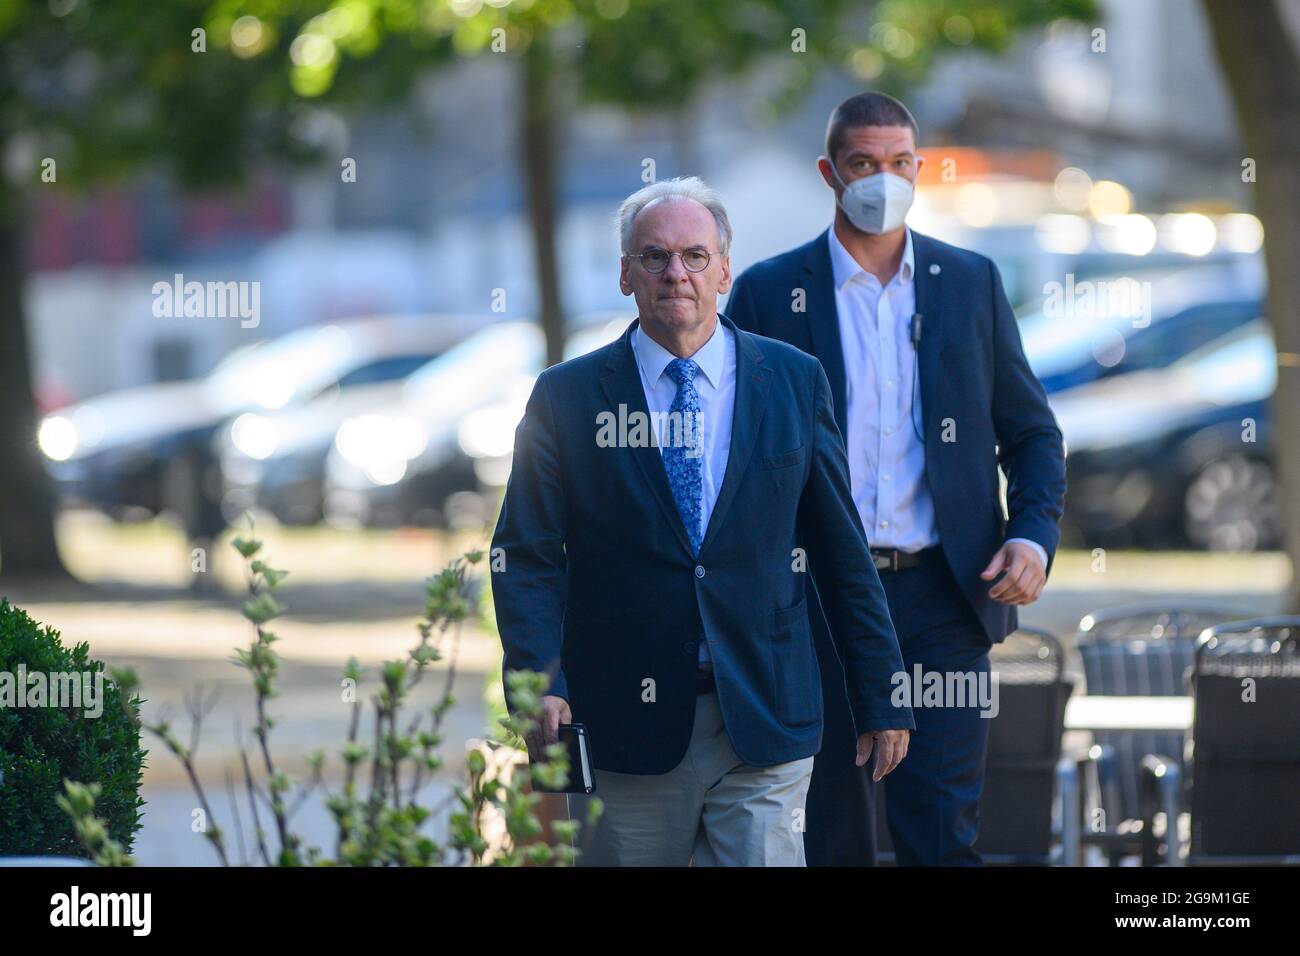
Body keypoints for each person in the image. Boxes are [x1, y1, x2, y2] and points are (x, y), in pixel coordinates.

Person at [491, 176, 913, 866]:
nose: (675, 274)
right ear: (627, 274)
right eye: (654, 257)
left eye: (694, 255)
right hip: (627, 725)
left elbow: (841, 551)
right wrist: (536, 680)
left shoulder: (792, 380)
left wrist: (883, 692)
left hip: (765, 714)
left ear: (724, 269)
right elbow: (526, 554)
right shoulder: (566, 399)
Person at [727, 92, 1066, 866]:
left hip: (944, 595)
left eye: (899, 164)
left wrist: (1032, 536)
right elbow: (735, 452)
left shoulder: (968, 283)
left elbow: (1033, 432)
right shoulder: (771, 293)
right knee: (829, 826)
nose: (884, 179)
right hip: (816, 601)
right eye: (863, 165)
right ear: (829, 173)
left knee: (944, 830)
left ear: (920, 166)